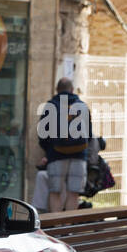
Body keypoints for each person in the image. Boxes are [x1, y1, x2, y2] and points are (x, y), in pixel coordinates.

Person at [37, 77, 92, 212]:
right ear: (72, 90)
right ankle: (69, 231)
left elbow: (42, 135)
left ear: (57, 90)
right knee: (74, 193)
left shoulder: (50, 106)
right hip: (79, 155)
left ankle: (57, 228)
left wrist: (49, 150)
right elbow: (89, 134)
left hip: (56, 155)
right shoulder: (83, 106)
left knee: (55, 192)